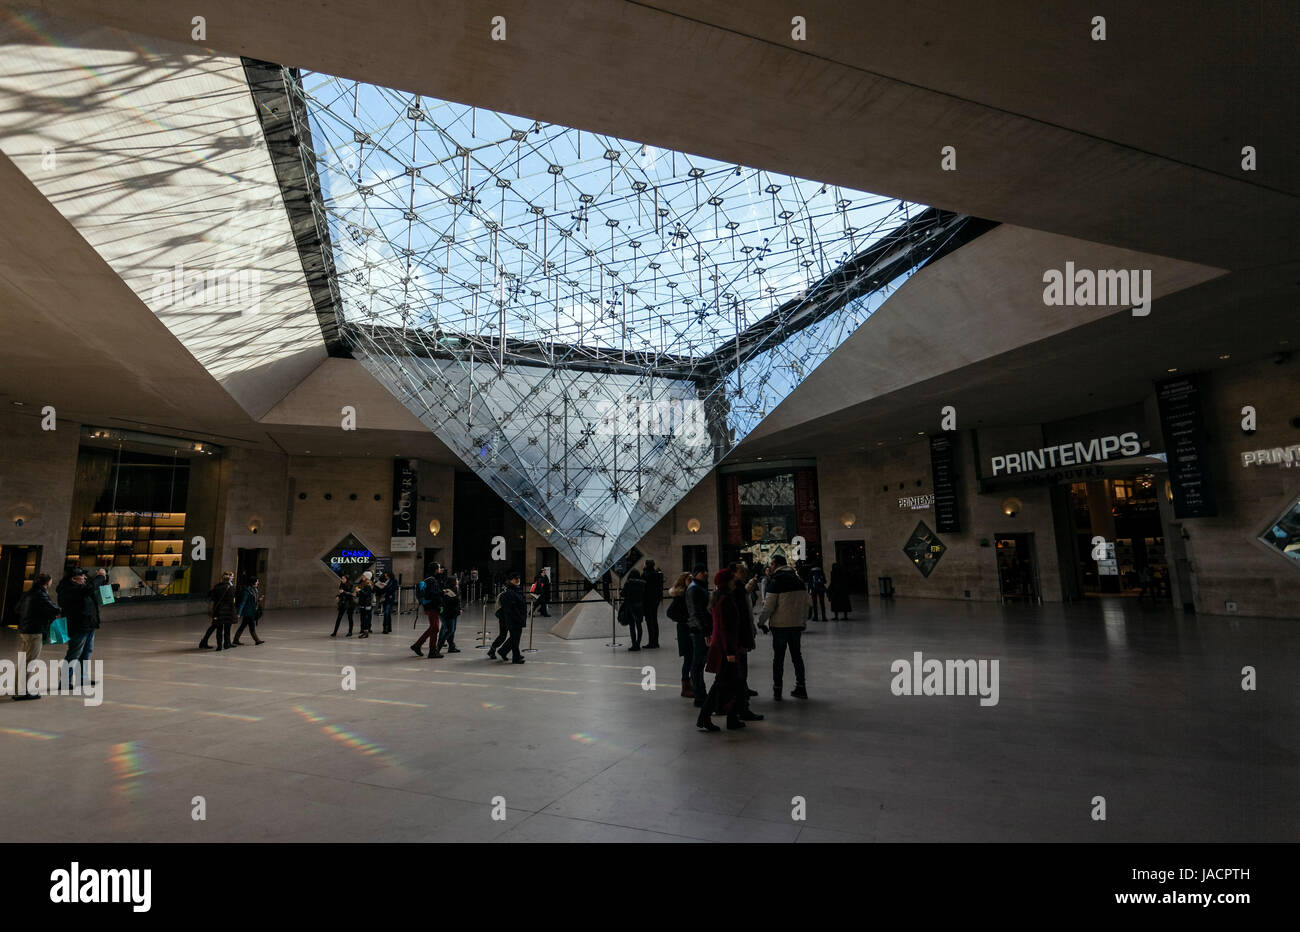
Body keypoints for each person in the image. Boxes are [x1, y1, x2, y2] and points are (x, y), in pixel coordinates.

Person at [697, 569, 744, 733]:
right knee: (722, 684)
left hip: (723, 646)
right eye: (732, 579)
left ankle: (730, 717)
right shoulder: (724, 600)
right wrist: (730, 652)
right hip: (725, 649)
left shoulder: (719, 598)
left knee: (728, 684)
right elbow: (725, 628)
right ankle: (705, 717)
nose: (734, 581)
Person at [758, 554, 809, 701]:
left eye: (772, 564)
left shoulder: (776, 581)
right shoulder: (799, 580)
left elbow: (768, 607)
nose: (770, 567)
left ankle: (777, 690)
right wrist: (803, 622)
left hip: (780, 626)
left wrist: (761, 622)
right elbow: (806, 604)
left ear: (776, 564)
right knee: (797, 657)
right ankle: (801, 687)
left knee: (778, 659)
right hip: (796, 626)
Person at [14, 574, 60, 701]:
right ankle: (21, 692)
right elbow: (54, 609)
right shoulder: (41, 595)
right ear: (48, 583)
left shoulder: (28, 593)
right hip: (34, 632)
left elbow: (17, 609)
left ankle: (19, 689)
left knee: (23, 661)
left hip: (24, 630)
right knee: (29, 662)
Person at [730, 561, 763, 720]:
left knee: (735, 675)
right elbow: (740, 618)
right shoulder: (735, 592)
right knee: (738, 674)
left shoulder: (736, 590)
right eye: (741, 572)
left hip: (738, 639)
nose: (744, 574)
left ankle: (728, 707)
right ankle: (741, 708)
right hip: (738, 639)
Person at [58, 568, 100, 688]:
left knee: (86, 652)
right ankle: (65, 681)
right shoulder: (70, 590)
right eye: (82, 576)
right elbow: (90, 588)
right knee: (74, 653)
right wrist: (100, 577)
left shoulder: (80, 589)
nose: (85, 578)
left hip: (88, 625)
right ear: (73, 579)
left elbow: (91, 588)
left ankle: (82, 678)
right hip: (78, 626)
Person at [664, 572, 694, 698]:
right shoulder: (681, 596)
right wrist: (685, 620)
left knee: (692, 658)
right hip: (685, 631)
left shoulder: (688, 594)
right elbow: (670, 612)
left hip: (688, 629)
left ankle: (691, 685)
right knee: (689, 658)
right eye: (689, 580)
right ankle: (686, 687)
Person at [685, 564, 710, 707]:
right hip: (699, 630)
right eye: (703, 571)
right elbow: (696, 612)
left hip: (700, 629)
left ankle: (700, 692)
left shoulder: (698, 586)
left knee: (699, 662)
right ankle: (699, 694)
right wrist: (705, 630)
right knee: (698, 662)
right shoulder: (695, 588)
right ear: (697, 573)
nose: (706, 573)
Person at [489, 570, 528, 663]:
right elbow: (510, 608)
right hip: (510, 618)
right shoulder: (509, 591)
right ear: (511, 580)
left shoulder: (516, 589)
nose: (518, 580)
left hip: (515, 618)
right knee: (508, 637)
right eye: (516, 579)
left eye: (519, 578)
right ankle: (499, 651)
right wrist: (518, 617)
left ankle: (505, 652)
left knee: (514, 638)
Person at [410, 566, 444, 657]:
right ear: (436, 569)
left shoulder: (428, 579)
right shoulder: (432, 580)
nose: (441, 569)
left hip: (429, 606)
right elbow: (433, 594)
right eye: (439, 568)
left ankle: (418, 645)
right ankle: (431, 651)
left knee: (434, 628)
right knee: (435, 628)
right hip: (432, 607)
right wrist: (442, 593)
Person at [201, 570, 238, 650]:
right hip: (228, 611)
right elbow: (232, 599)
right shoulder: (231, 588)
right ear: (229, 578)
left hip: (219, 610)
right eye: (232, 576)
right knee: (227, 628)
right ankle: (227, 644)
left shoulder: (217, 587)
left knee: (218, 629)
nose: (233, 577)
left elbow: (211, 597)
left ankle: (219, 646)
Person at [231, 576, 264, 646]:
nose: (258, 582)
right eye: (257, 581)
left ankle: (236, 639)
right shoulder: (247, 591)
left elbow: (253, 601)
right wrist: (239, 613)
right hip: (248, 612)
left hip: (252, 611)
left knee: (243, 625)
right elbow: (243, 602)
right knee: (251, 626)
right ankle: (257, 640)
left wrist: (258, 600)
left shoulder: (255, 590)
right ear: (253, 582)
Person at [620, 567, 646, 651]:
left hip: (630, 607)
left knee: (632, 626)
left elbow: (623, 594)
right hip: (640, 606)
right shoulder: (643, 583)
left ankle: (634, 644)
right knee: (639, 625)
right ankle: (638, 643)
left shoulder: (628, 583)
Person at [641, 559, 664, 649]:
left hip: (647, 600)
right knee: (654, 620)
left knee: (649, 621)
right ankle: (656, 641)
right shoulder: (657, 574)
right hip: (655, 600)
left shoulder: (645, 575)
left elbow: (643, 588)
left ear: (647, 565)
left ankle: (651, 642)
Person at [435, 578, 462, 654]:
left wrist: (459, 609)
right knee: (449, 630)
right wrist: (456, 601)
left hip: (453, 613)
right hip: (448, 614)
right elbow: (449, 603)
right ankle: (438, 648)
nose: (457, 581)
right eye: (456, 580)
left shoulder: (454, 590)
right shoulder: (447, 591)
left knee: (452, 630)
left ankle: (451, 646)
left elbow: (457, 602)